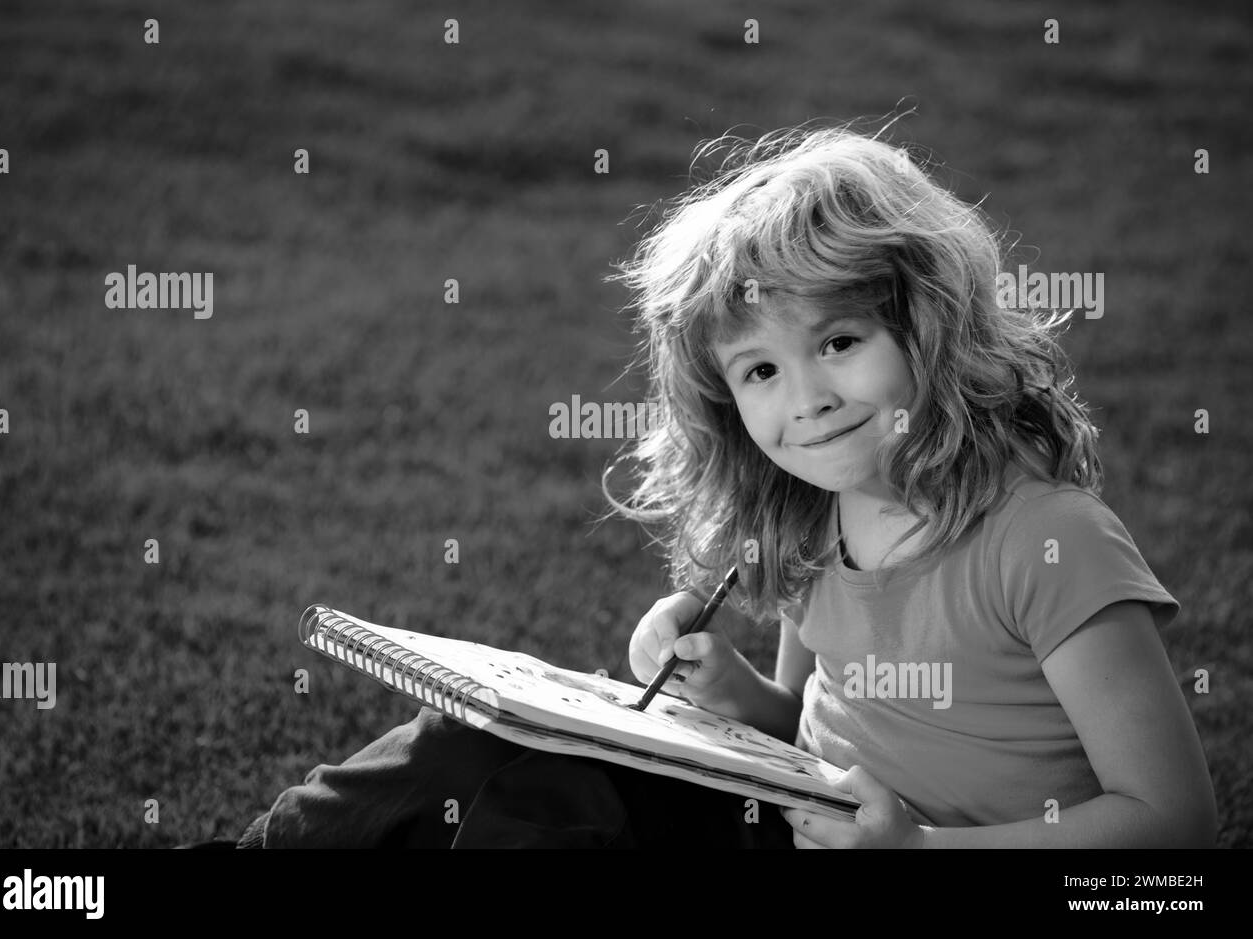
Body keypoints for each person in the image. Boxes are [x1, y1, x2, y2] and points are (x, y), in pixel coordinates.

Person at [231, 120, 1216, 849]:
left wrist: (919, 850)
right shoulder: (817, 522)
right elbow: (813, 732)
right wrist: (736, 694)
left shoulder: (1048, 541)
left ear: (931, 328)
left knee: (569, 818)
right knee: (473, 745)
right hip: (796, 826)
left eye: (838, 342)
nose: (808, 398)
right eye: (760, 371)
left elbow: (1172, 828)